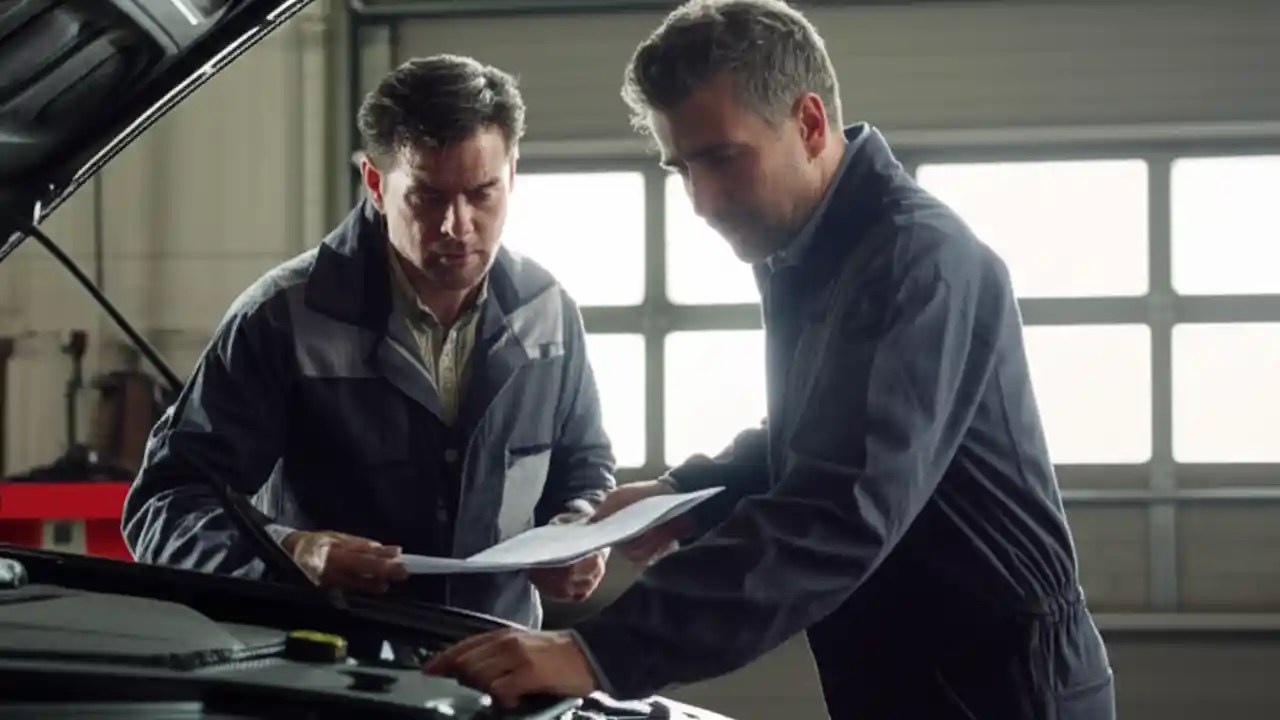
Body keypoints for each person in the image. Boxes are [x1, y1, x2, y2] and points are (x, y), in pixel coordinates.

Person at [422, 2, 1116, 718]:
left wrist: (595, 652)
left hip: (1001, 691)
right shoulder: (814, 247)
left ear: (810, 125)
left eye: (722, 159)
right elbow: (820, 429)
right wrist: (686, 496)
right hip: (900, 670)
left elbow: (838, 506)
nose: (701, 200)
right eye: (681, 167)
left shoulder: (915, 264)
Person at [122, 54, 615, 630]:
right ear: (376, 185)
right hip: (332, 677)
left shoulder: (547, 313)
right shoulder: (279, 319)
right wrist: (293, 552)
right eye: (428, 198)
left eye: (482, 193)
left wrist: (580, 528)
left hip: (499, 669)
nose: (458, 226)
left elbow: (584, 465)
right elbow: (164, 510)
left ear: (512, 176)